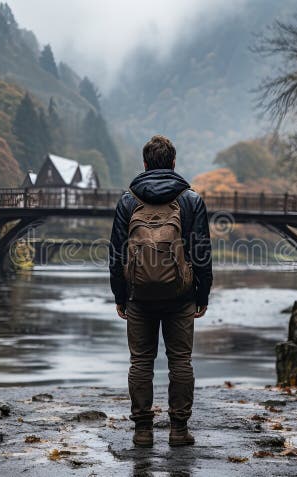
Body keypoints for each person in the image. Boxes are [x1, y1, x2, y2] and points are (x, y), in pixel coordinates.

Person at [109, 135, 213, 448]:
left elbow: (116, 254)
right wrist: (202, 294)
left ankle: (142, 432)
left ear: (144, 164)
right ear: (172, 164)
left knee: (140, 362)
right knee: (180, 362)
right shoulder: (190, 200)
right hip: (181, 297)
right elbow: (201, 252)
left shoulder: (128, 200)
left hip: (139, 295)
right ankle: (179, 430)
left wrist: (120, 296)